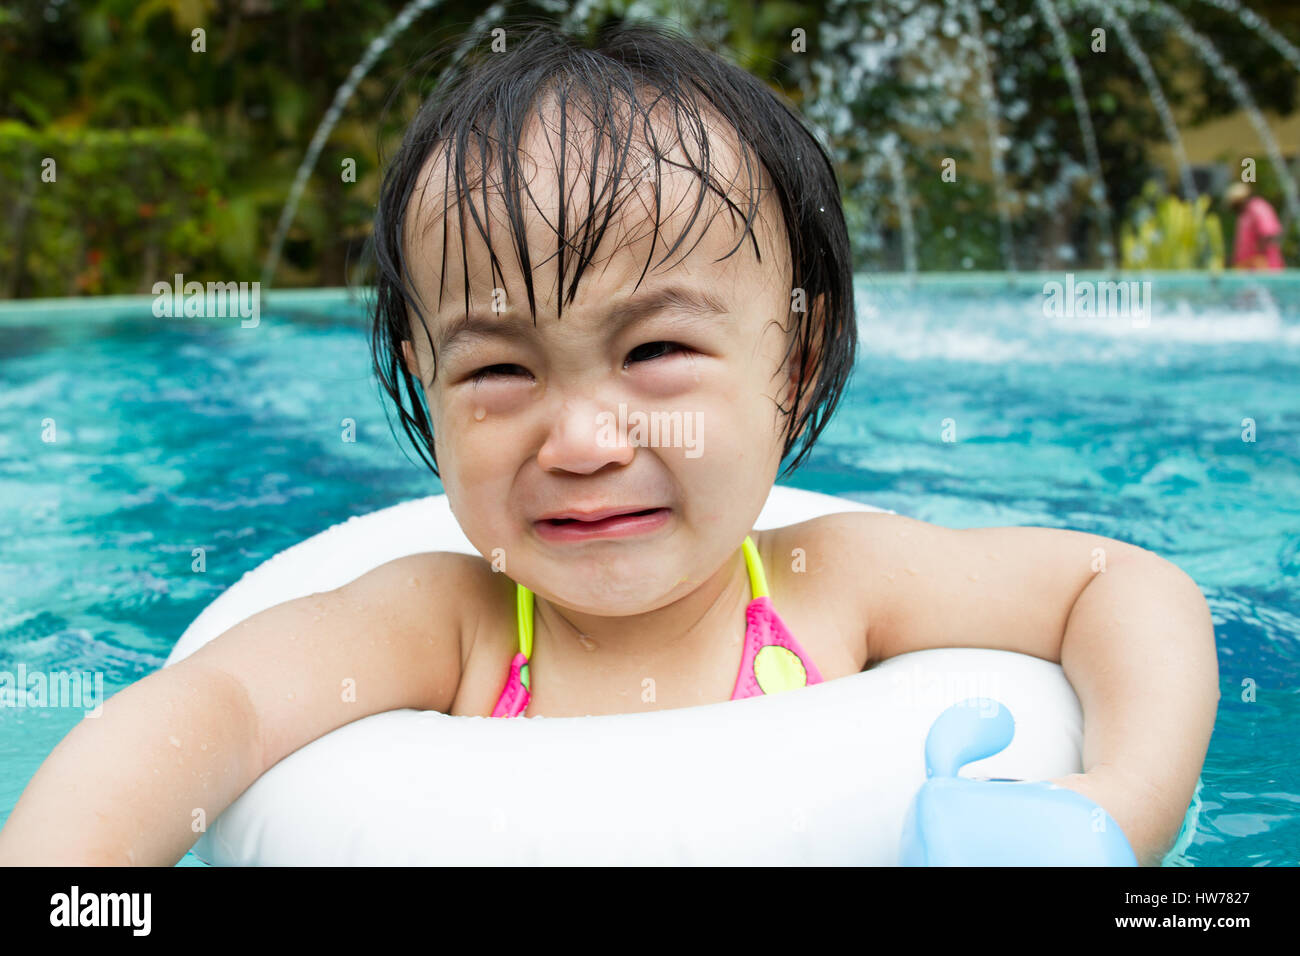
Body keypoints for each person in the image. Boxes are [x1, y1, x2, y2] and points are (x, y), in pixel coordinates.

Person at [0, 21, 1218, 868]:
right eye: (497, 368)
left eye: (653, 355)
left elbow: (1123, 588)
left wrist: (1119, 802)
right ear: (424, 385)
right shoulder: (448, 626)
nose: (581, 437)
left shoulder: (835, 587)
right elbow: (207, 709)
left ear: (792, 360)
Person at [1226, 181, 1285, 270]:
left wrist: (1259, 256)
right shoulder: (1244, 214)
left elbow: (1268, 233)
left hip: (1264, 268)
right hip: (1248, 270)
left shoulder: (1258, 207)